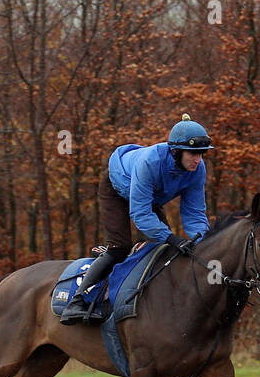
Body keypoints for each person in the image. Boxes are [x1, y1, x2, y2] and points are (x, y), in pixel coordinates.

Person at [59, 114, 214, 324]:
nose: (198, 160)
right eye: (193, 153)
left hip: (147, 196)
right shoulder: (150, 162)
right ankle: (76, 301)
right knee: (120, 247)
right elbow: (140, 214)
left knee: (166, 250)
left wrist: (203, 242)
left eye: (202, 154)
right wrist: (173, 237)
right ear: (176, 151)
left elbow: (194, 212)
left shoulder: (197, 170)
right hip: (116, 191)